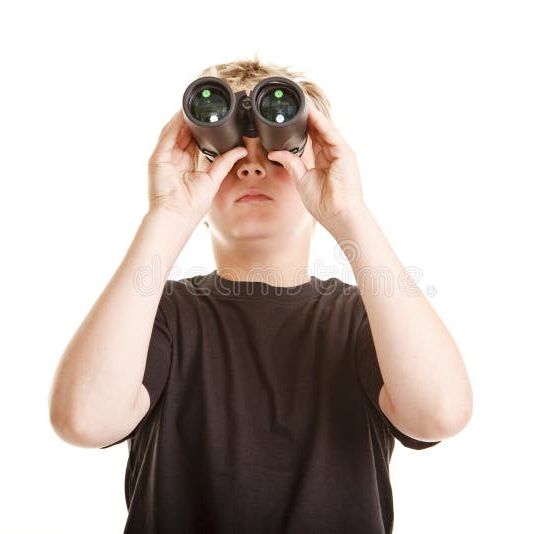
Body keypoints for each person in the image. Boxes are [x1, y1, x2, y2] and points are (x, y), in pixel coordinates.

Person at [48, 55, 473, 533]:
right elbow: (83, 420)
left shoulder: (366, 318)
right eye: (222, 153)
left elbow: (440, 413)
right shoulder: (157, 314)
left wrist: (349, 211)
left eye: (278, 151)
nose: (251, 167)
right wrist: (167, 216)